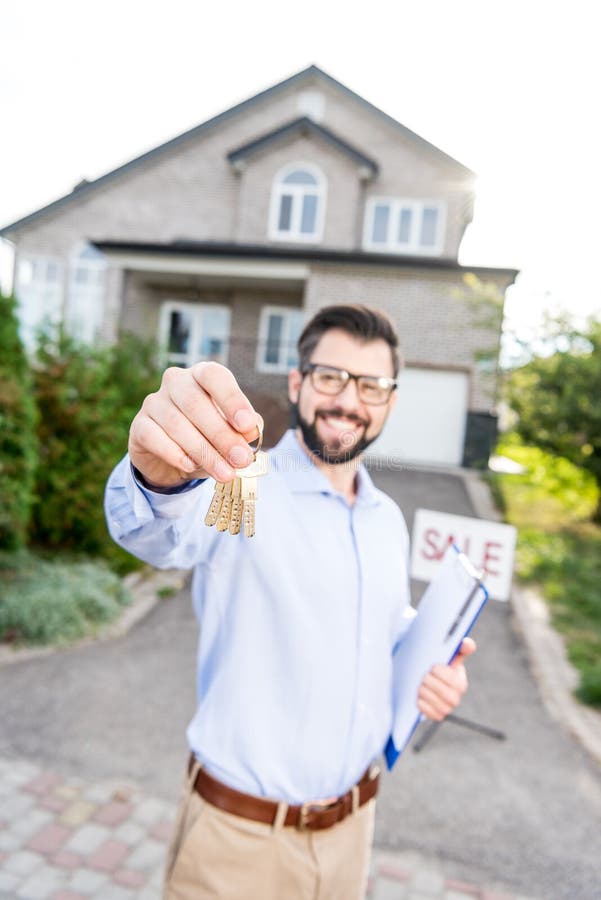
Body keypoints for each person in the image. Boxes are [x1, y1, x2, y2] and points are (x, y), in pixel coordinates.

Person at [105, 304, 475, 900]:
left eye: (372, 385)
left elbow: (380, 630)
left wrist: (432, 671)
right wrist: (158, 477)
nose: (349, 401)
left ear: (390, 402)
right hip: (236, 845)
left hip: (350, 836)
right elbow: (158, 534)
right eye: (331, 377)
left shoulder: (386, 520)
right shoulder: (245, 485)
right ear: (299, 383)